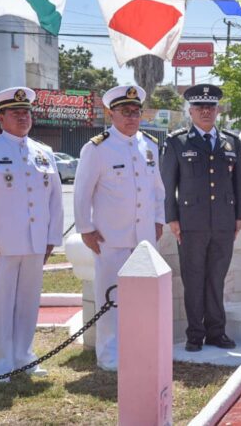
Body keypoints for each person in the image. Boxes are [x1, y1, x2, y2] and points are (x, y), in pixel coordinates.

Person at [0, 87, 63, 381]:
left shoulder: (43, 152)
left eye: (26, 112)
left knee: (28, 303)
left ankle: (24, 357)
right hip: (0, 244)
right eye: (15, 112)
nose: (22, 117)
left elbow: (55, 199)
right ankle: (0, 364)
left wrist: (51, 238)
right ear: (0, 117)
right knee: (1, 304)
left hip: (34, 243)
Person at [73, 85, 165, 371]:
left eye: (136, 112)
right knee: (110, 298)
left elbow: (157, 190)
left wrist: (158, 220)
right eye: (125, 112)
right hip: (110, 237)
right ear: (111, 113)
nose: (132, 117)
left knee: (142, 299)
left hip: (144, 239)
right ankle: (110, 355)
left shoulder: (149, 145)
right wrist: (86, 229)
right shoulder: (97, 147)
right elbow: (81, 193)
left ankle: (138, 349)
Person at [161, 84, 241, 351]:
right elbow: (167, 185)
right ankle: (195, 334)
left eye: (210, 107)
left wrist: (239, 216)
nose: (206, 111)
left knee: (216, 278)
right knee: (194, 278)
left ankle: (216, 332)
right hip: (191, 223)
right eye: (200, 107)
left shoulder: (232, 141)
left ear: (218, 110)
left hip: (223, 222)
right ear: (191, 111)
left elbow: (238, 182)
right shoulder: (177, 142)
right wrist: (172, 218)